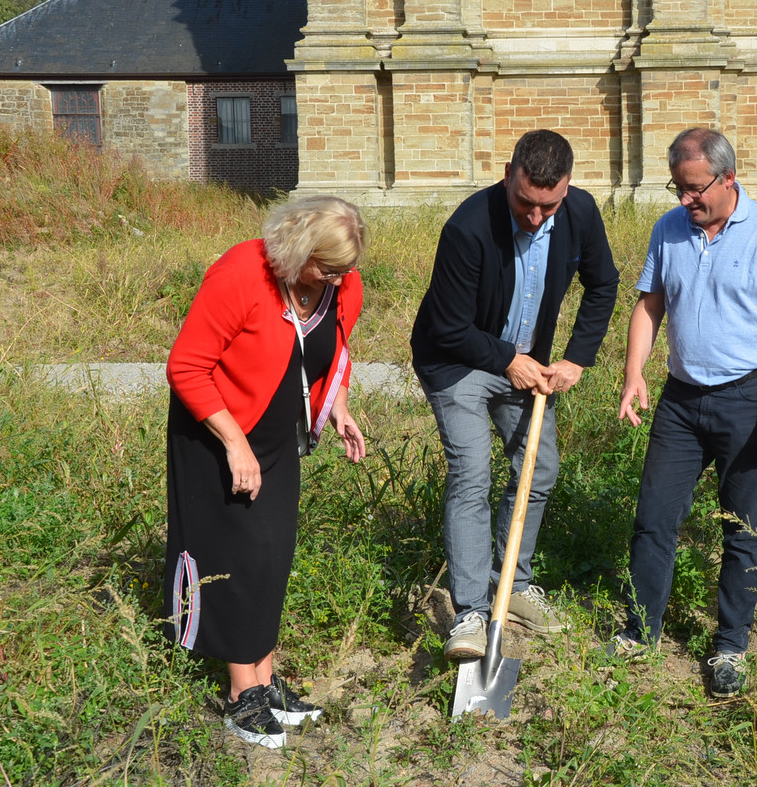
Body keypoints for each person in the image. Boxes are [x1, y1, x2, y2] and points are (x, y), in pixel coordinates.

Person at [163, 195, 369, 749]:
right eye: (328, 268)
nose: (339, 280)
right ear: (298, 251)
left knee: (271, 554)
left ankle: (265, 680)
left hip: (278, 439)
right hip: (218, 433)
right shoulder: (241, 273)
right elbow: (186, 366)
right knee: (239, 555)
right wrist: (235, 444)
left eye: (346, 269)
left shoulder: (343, 285)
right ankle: (241, 696)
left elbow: (334, 352)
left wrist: (338, 407)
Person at [410, 129, 619, 661]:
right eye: (526, 202)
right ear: (508, 175)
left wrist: (576, 358)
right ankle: (471, 612)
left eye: (549, 205)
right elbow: (448, 328)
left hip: (523, 364)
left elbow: (603, 284)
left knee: (539, 468)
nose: (536, 216)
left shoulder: (579, 212)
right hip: (456, 361)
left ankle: (513, 584)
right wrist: (509, 359)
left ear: (567, 187)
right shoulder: (468, 228)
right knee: (472, 473)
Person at [616, 127, 757, 698]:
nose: (685, 199)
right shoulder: (669, 229)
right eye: (677, 188)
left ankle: (730, 646)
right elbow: (649, 306)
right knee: (654, 518)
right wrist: (633, 373)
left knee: (743, 528)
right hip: (680, 400)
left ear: (728, 178)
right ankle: (640, 632)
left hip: (749, 398)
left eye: (695, 189)